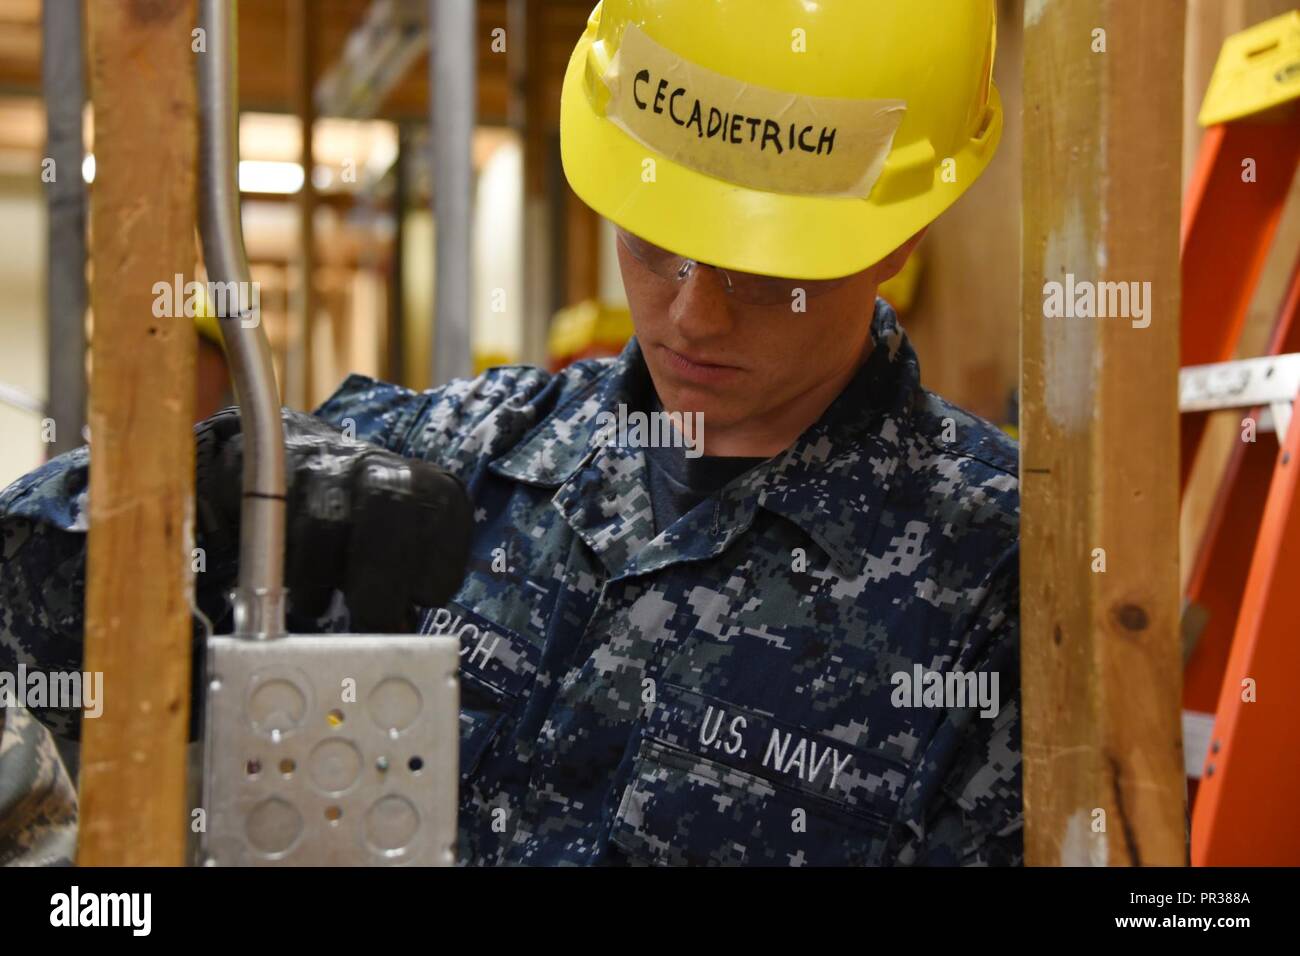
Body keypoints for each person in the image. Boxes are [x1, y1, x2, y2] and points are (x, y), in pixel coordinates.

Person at [0, 0, 1019, 865]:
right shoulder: (453, 453)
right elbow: (26, 614)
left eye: (766, 268)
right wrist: (207, 486)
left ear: (903, 231)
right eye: (656, 239)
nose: (691, 313)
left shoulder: (1000, 584)